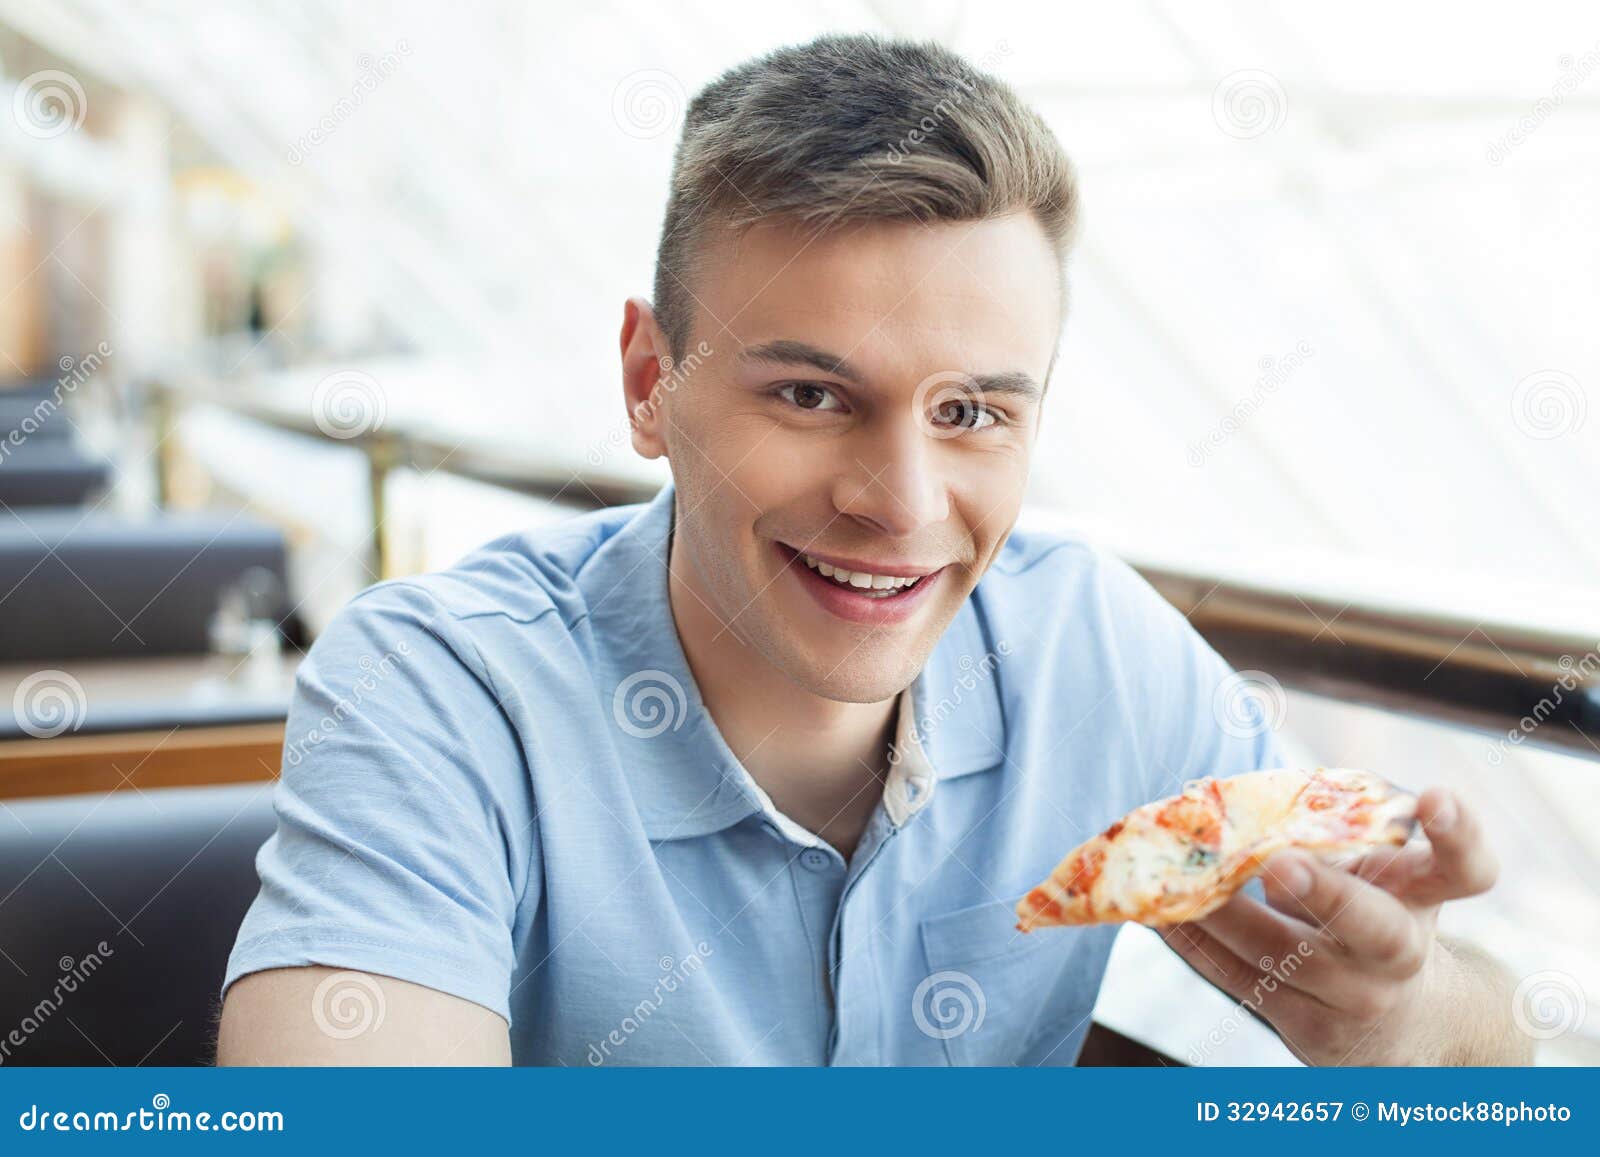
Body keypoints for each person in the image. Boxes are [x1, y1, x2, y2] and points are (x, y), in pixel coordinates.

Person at [217, 33, 1524, 1066]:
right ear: (647, 384)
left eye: (971, 412)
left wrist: (1392, 1014)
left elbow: (1501, 1056)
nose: (901, 503)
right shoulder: (440, 690)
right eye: (810, 395)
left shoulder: (1096, 656)